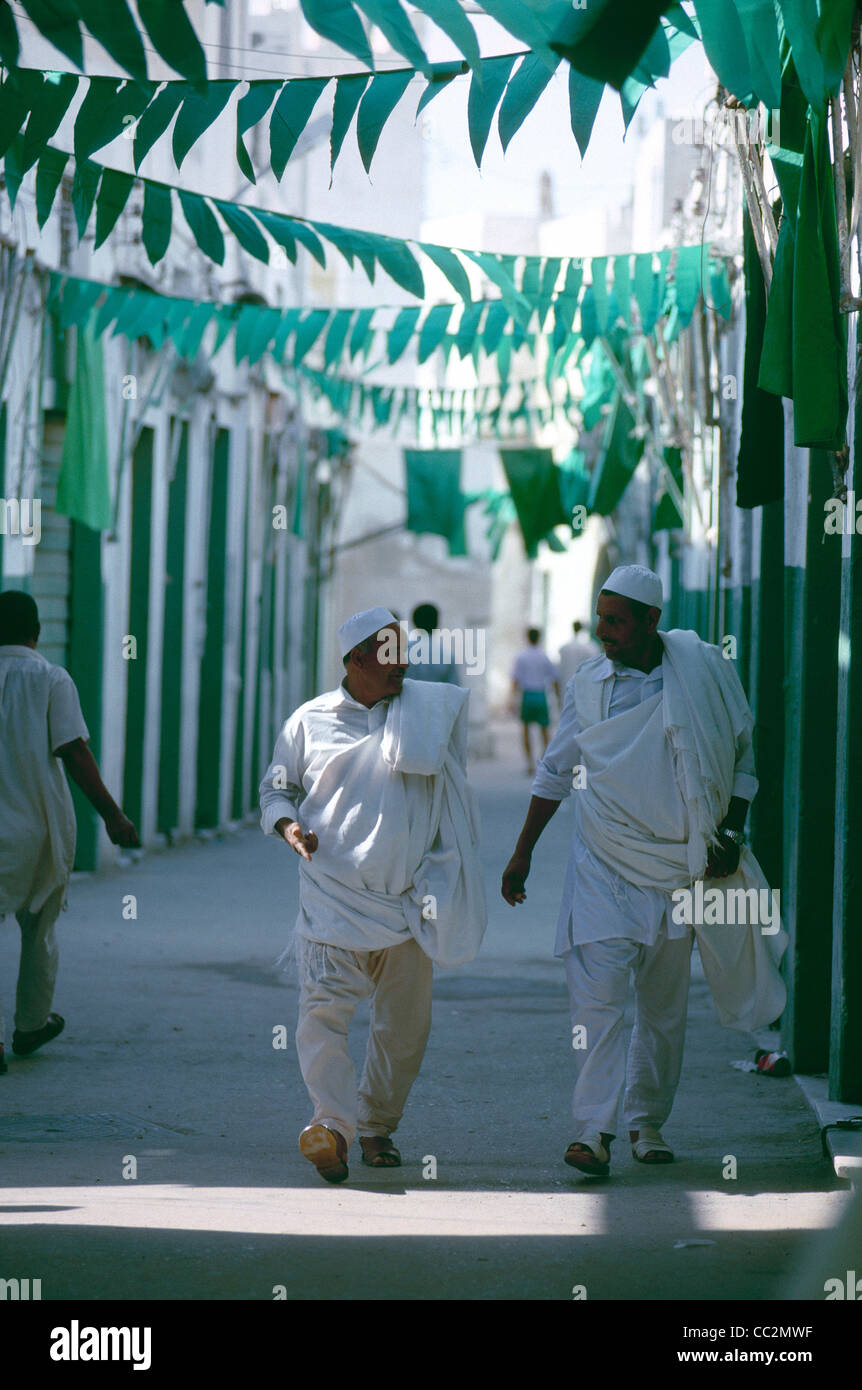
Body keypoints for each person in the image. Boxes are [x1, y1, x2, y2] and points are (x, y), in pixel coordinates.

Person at [501, 566, 786, 1177]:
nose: (603, 632)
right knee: (599, 1004)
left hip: (679, 868)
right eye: (600, 618)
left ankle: (645, 1120)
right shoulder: (587, 685)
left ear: (652, 620)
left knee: (663, 1009)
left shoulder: (704, 675)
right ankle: (593, 1131)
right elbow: (555, 770)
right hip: (603, 864)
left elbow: (742, 759)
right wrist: (522, 851)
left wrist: (732, 830)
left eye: (615, 621)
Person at [260, 607, 486, 1184]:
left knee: (404, 1030)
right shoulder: (309, 721)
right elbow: (277, 789)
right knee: (321, 1019)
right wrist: (289, 827)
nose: (403, 665)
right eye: (389, 654)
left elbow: (455, 796)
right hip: (332, 896)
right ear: (356, 660)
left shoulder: (423, 714)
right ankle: (332, 1126)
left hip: (409, 902)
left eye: (404, 651)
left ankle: (378, 1125)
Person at [0, 590, 139, 1074]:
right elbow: (74, 753)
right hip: (36, 828)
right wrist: (113, 815)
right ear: (35, 633)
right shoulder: (51, 678)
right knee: (38, 928)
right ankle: (30, 1024)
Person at [510, 628, 560, 775]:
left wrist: (512, 700)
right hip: (540, 694)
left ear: (527, 637)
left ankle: (530, 763)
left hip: (527, 695)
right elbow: (554, 678)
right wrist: (557, 697)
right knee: (544, 731)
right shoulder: (544, 656)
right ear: (539, 638)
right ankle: (545, 762)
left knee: (525, 731)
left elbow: (515, 680)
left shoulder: (521, 656)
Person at [406, 602, 461, 684]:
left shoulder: (402, 653)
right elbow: (455, 690)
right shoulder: (447, 656)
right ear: (436, 623)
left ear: (414, 622)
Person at [557, 620, 599, 691]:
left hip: (566, 686)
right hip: (585, 687)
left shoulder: (564, 648)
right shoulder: (591, 647)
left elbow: (559, 670)